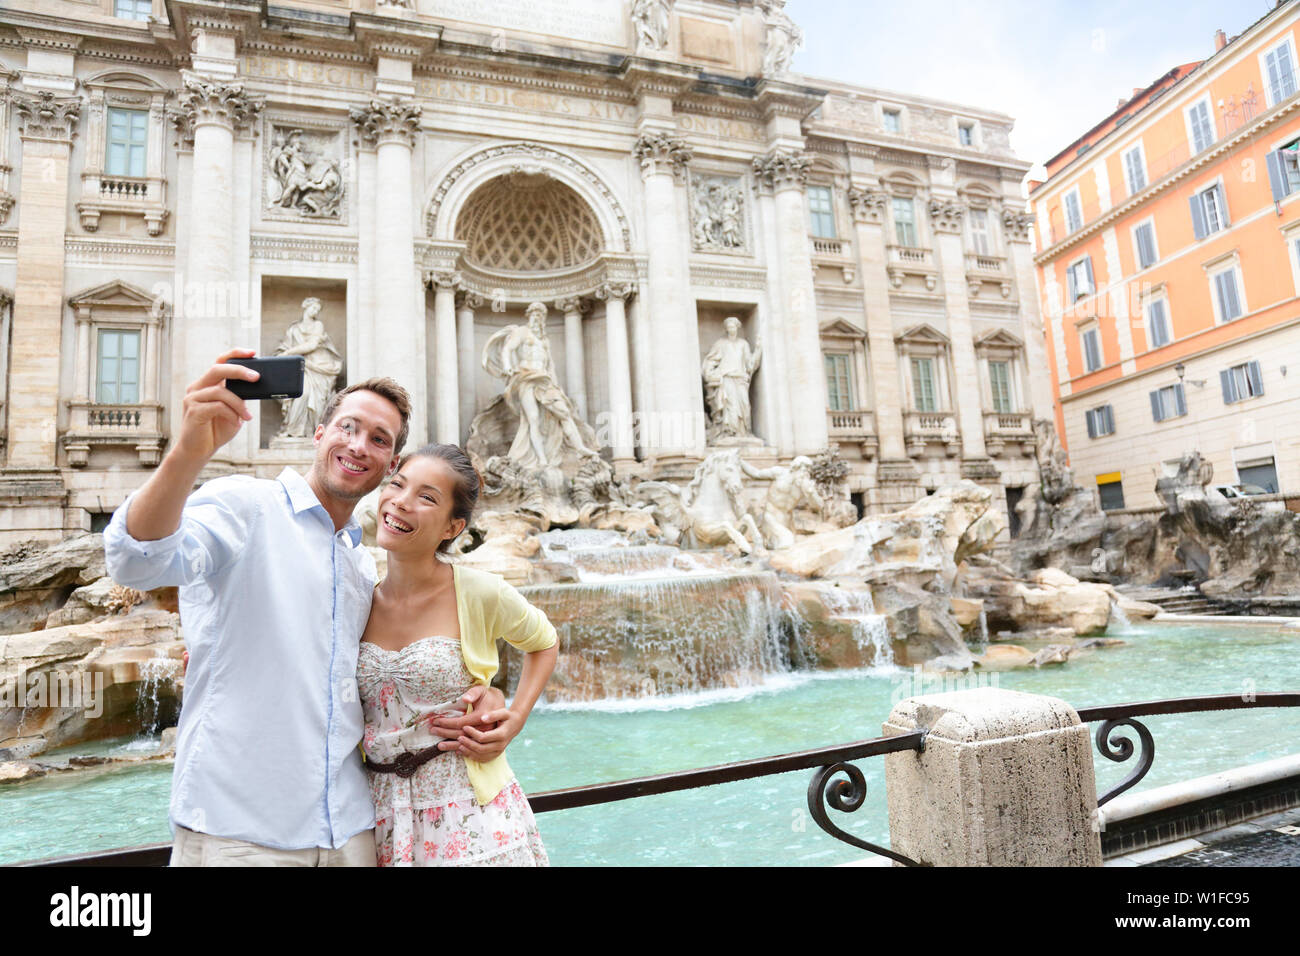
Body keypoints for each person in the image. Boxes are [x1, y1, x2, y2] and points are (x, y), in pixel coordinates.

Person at [103, 350, 504, 866]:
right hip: (242, 831)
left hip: (351, 829)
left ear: (389, 466)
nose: (359, 445)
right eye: (348, 427)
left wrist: (486, 701)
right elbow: (135, 561)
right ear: (319, 433)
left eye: (379, 440)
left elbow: (389, 679)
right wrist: (189, 450)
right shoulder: (245, 506)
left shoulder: (360, 563)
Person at [361, 443, 557, 866]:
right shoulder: (358, 596)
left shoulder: (479, 590)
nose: (401, 502)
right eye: (397, 485)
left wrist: (515, 717)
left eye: (426, 497)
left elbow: (544, 641)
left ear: (453, 527)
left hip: (470, 815)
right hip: (377, 814)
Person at [274, 297, 344, 439]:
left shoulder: (318, 325)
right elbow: (284, 346)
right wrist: (284, 354)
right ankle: (293, 431)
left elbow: (311, 345)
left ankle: (310, 433)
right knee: (302, 394)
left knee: (311, 398)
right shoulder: (294, 329)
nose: (315, 311)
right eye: (313, 308)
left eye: (317, 310)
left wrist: (288, 353)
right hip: (299, 367)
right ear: (305, 307)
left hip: (317, 366)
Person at [701, 316, 761, 439]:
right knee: (730, 407)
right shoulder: (721, 344)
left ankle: (743, 432)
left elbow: (750, 364)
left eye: (733, 326)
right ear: (726, 329)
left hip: (741, 379)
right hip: (726, 378)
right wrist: (710, 374)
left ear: (737, 328)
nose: (731, 329)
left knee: (744, 405)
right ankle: (729, 432)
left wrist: (758, 349)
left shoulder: (743, 344)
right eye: (729, 327)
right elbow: (710, 361)